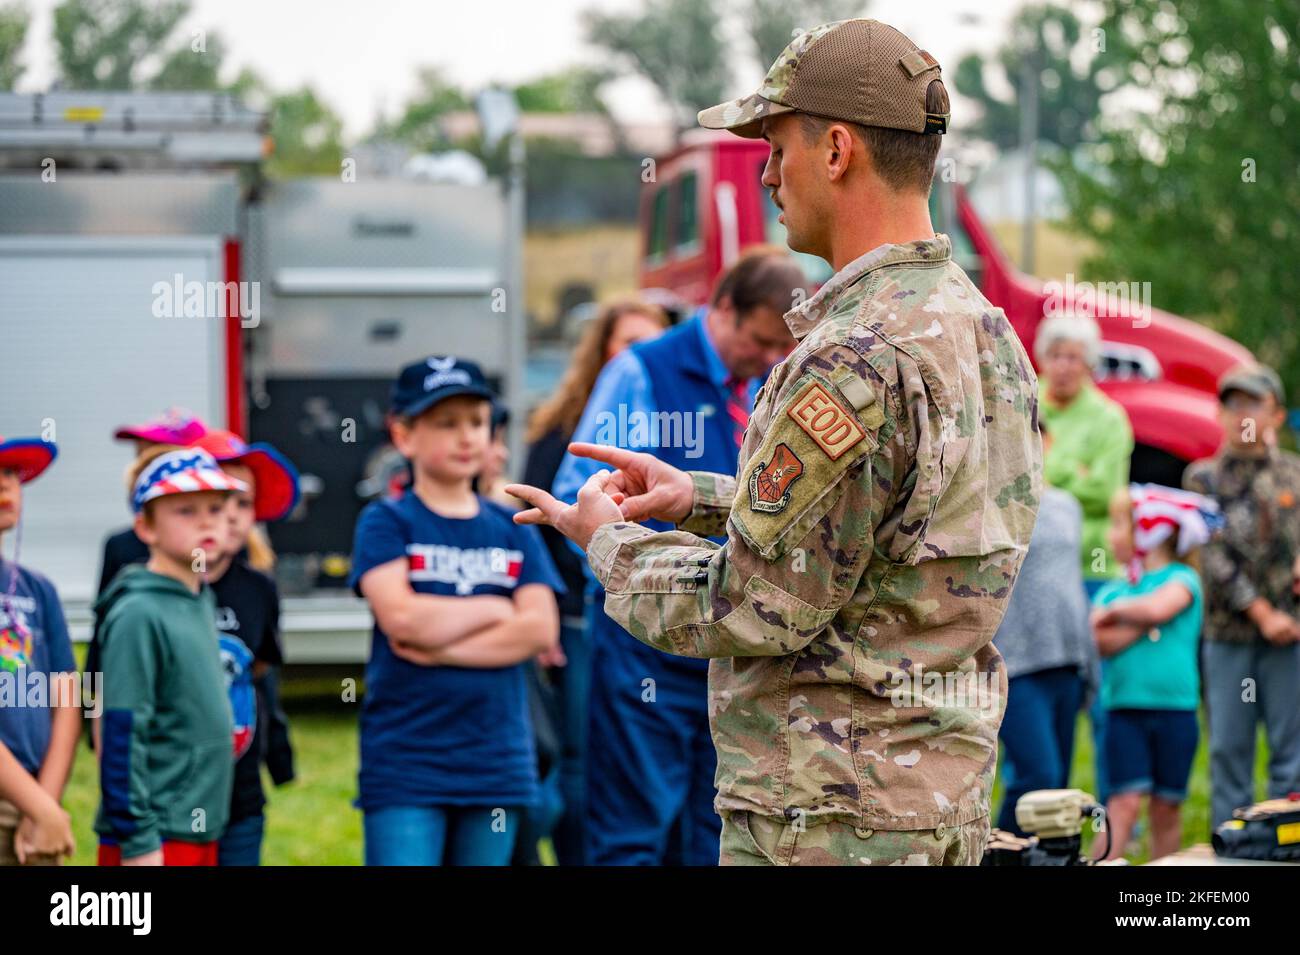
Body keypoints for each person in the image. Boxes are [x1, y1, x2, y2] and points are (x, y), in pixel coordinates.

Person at [508, 18, 1042, 866]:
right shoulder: (983, 331)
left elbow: (752, 605)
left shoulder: (853, 353)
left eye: (776, 145)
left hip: (826, 816)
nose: (765, 174)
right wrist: (703, 498)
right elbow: (899, 534)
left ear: (836, 149)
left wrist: (606, 543)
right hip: (933, 802)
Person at [552, 248, 803, 866]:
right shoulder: (642, 371)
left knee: (715, 835)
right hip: (647, 651)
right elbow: (577, 496)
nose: (771, 358)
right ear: (722, 307)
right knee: (633, 833)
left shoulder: (762, 389)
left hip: (731, 653)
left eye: (782, 347)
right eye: (761, 340)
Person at [349, 356, 564, 866]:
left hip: (496, 759)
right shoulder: (385, 522)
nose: (466, 436)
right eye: (446, 424)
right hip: (406, 761)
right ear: (403, 435)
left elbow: (538, 628)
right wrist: (495, 608)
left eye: (475, 421)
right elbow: (401, 620)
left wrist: (437, 639)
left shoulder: (514, 525)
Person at [522, 298, 669, 864]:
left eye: (648, 342)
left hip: (650, 612)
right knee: (581, 748)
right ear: (602, 348)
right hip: (583, 614)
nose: (636, 354)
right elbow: (541, 521)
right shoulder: (563, 427)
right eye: (626, 340)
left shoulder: (667, 424)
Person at [94, 446, 245, 865]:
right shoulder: (138, 612)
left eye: (216, 507)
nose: (206, 521)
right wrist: (138, 840)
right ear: (145, 527)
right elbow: (122, 730)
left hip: (196, 826)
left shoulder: (197, 597)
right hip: (154, 835)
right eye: (185, 511)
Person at [1184, 363, 1300, 830]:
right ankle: (1232, 855)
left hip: (1290, 638)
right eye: (1233, 404)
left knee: (1291, 757)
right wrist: (1262, 613)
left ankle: (1287, 849)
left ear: (1276, 415)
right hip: (1229, 636)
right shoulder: (1202, 479)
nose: (1242, 414)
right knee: (1230, 752)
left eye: (1253, 403)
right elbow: (1213, 560)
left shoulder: (1295, 474)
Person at [1089, 484, 1220, 861]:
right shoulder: (1115, 588)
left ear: (1149, 531)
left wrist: (1117, 615)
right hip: (1125, 710)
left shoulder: (1184, 579)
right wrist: (1141, 620)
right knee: (1124, 802)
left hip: (1175, 710)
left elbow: (1162, 608)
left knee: (1167, 806)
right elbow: (1100, 642)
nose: (1110, 536)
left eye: (1119, 526)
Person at [1035, 312, 1133, 805]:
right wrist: (1074, 472)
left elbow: (1106, 491)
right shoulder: (1022, 399)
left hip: (1093, 574)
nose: (1064, 366)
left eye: (1074, 357)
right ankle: (1041, 817)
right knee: (1037, 702)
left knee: (1099, 703)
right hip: (1034, 583)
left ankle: (1111, 825)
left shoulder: (1108, 417)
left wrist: (1051, 475)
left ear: (1089, 363)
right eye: (1055, 355)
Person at [191, 429, 300, 866]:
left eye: (244, 503)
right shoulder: (155, 584)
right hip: (169, 790)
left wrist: (277, 756)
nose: (232, 516)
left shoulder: (259, 589)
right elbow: (98, 680)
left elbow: (261, 673)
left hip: (240, 792)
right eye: (220, 501)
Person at [992, 419, 1098, 835]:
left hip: (1067, 658)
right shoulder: (993, 504)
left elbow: (1069, 580)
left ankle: (1046, 860)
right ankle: (994, 859)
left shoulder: (1067, 505)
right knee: (1036, 776)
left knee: (1057, 789)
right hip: (1016, 661)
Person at [0, 435, 79, 866]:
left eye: (11, 474)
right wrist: (40, 805)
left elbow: (69, 698)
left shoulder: (39, 589)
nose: (5, 486)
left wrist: (45, 803)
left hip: (36, 799)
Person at [97, 409, 210, 593]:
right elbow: (105, 616)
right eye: (140, 457)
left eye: (159, 462)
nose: (144, 472)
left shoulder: (221, 547)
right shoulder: (121, 547)